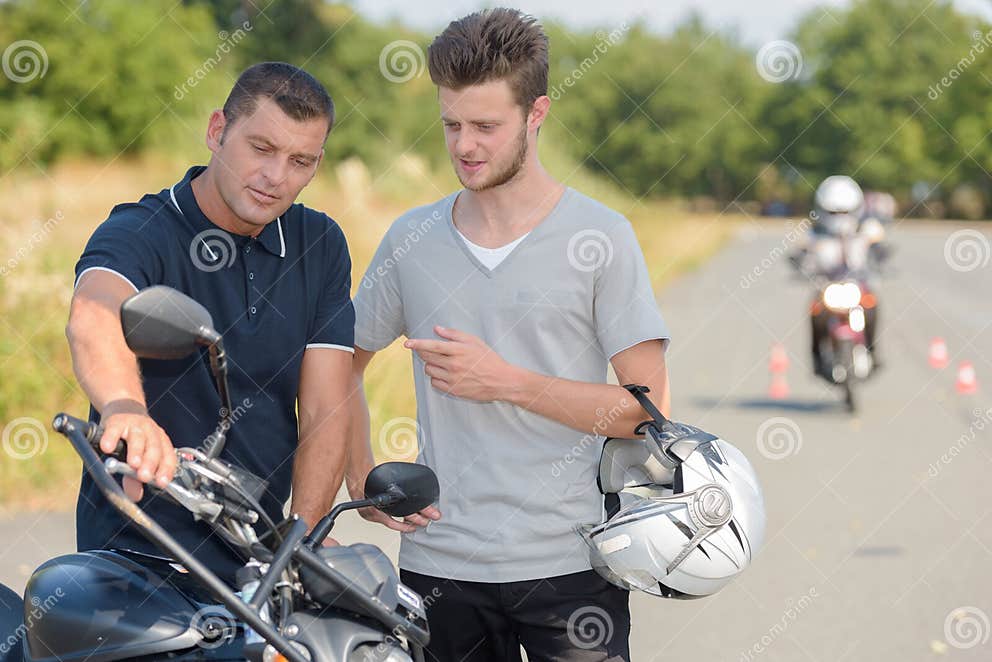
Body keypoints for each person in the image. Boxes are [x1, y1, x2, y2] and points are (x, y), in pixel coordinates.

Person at [346, 9, 670, 661]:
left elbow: (646, 413)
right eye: (452, 125)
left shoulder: (601, 237)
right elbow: (341, 366)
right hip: (440, 568)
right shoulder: (411, 240)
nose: (465, 145)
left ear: (536, 114)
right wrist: (361, 479)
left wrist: (507, 383)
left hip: (573, 565)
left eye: (486, 127)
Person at [68, 62, 355, 586]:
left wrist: (303, 534)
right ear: (218, 130)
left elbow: (325, 404)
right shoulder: (143, 229)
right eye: (261, 148)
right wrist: (125, 406)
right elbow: (94, 310)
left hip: (256, 566)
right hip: (137, 557)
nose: (276, 177)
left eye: (300, 161)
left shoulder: (320, 244)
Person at [805, 175, 880, 376]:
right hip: (827, 286)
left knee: (872, 305)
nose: (839, 217)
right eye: (833, 212)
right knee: (815, 312)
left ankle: (872, 350)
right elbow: (802, 254)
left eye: (845, 211)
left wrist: (879, 255)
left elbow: (878, 246)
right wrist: (801, 264)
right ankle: (817, 356)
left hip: (857, 285)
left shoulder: (867, 229)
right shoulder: (813, 234)